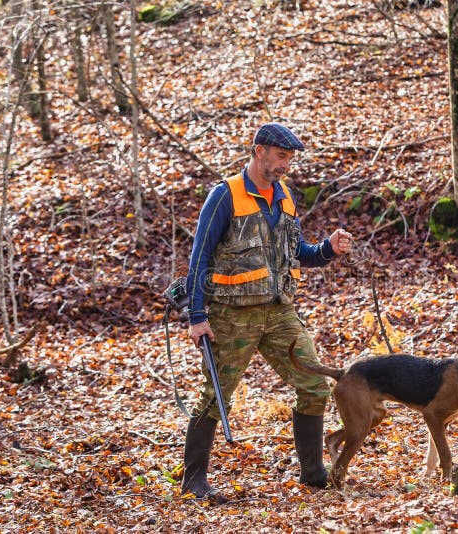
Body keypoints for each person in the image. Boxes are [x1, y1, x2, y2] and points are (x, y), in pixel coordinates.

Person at [181, 122, 353, 503]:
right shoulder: (224, 195)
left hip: (280, 314)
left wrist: (328, 248)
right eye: (280, 157)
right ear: (258, 151)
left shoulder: (285, 197)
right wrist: (196, 316)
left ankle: (313, 474)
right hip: (232, 315)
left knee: (314, 384)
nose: (285, 165)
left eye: (289, 158)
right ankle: (193, 481)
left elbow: (298, 252)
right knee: (216, 396)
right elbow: (200, 258)